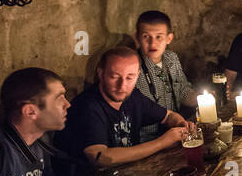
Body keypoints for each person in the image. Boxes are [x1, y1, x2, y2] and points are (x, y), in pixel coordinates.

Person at [57, 46, 192, 168]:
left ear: (137, 75)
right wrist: (163, 142)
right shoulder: (87, 107)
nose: (122, 86)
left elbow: (168, 116)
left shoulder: (133, 97)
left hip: (128, 174)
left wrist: (181, 125)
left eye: (130, 77)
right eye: (114, 77)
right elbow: (99, 157)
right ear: (101, 73)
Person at [133, 10, 196, 141]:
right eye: (146, 36)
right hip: (148, 139)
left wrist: (203, 99)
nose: (152, 43)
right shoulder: (132, 67)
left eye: (159, 37)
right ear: (137, 38)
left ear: (169, 38)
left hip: (175, 130)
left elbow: (183, 92)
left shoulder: (171, 59)